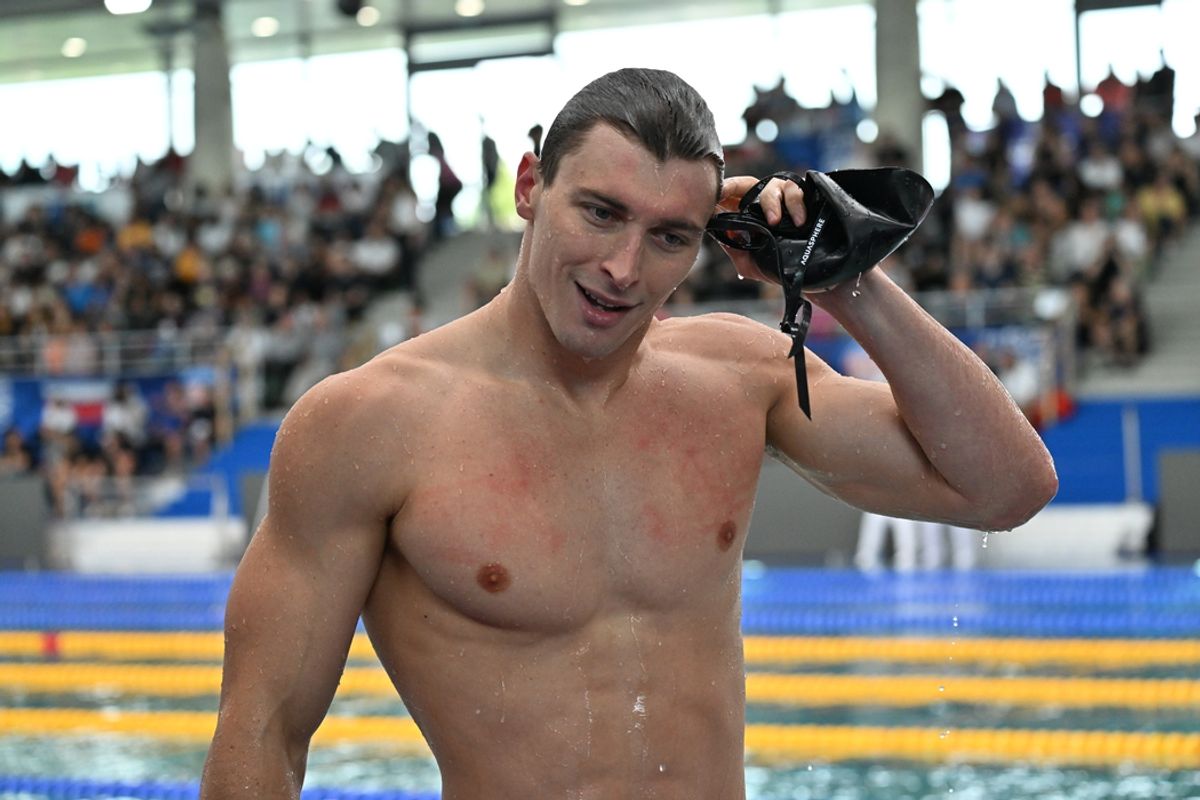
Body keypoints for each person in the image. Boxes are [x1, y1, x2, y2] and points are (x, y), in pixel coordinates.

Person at [200, 68, 1057, 799]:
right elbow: (266, 730)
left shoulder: (738, 379)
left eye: (668, 236)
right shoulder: (370, 422)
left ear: (707, 241)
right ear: (531, 184)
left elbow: (1007, 488)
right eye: (601, 213)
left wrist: (841, 279)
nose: (622, 269)